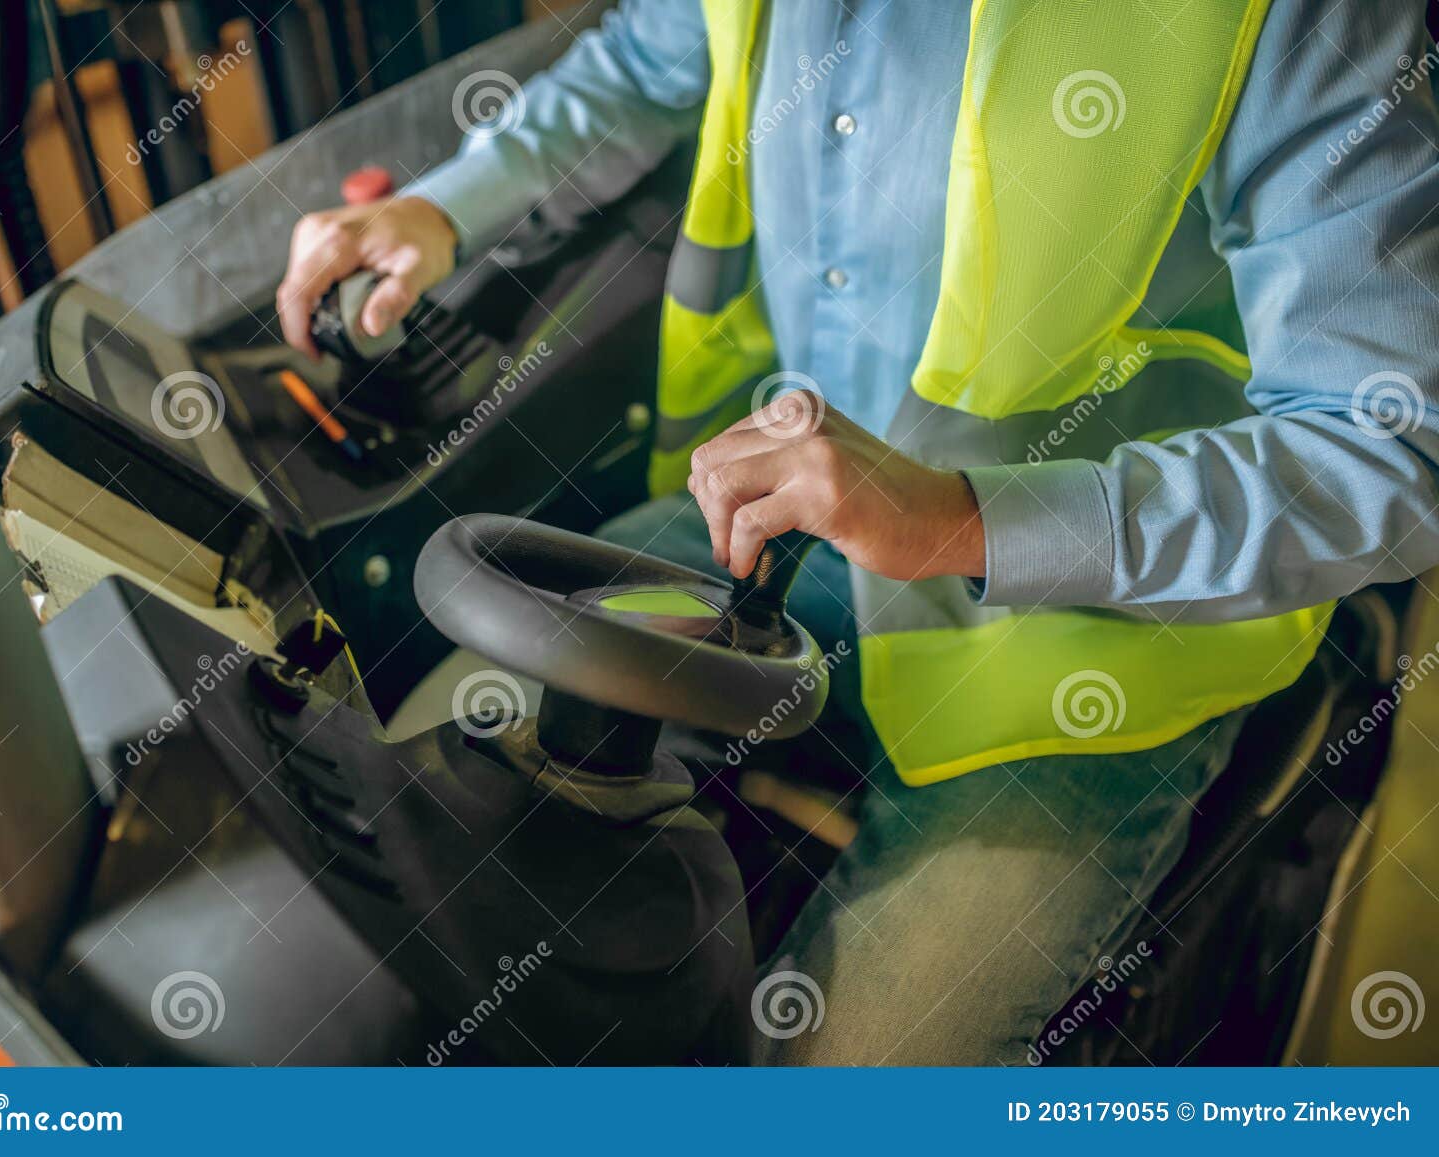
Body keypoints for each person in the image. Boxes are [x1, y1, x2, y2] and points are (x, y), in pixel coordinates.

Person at [277, 0, 1439, 1064]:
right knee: (444, 785)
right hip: (774, 527)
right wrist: (449, 202)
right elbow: (646, 55)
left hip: (1099, 638)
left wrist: (962, 519)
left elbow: (1392, 445)